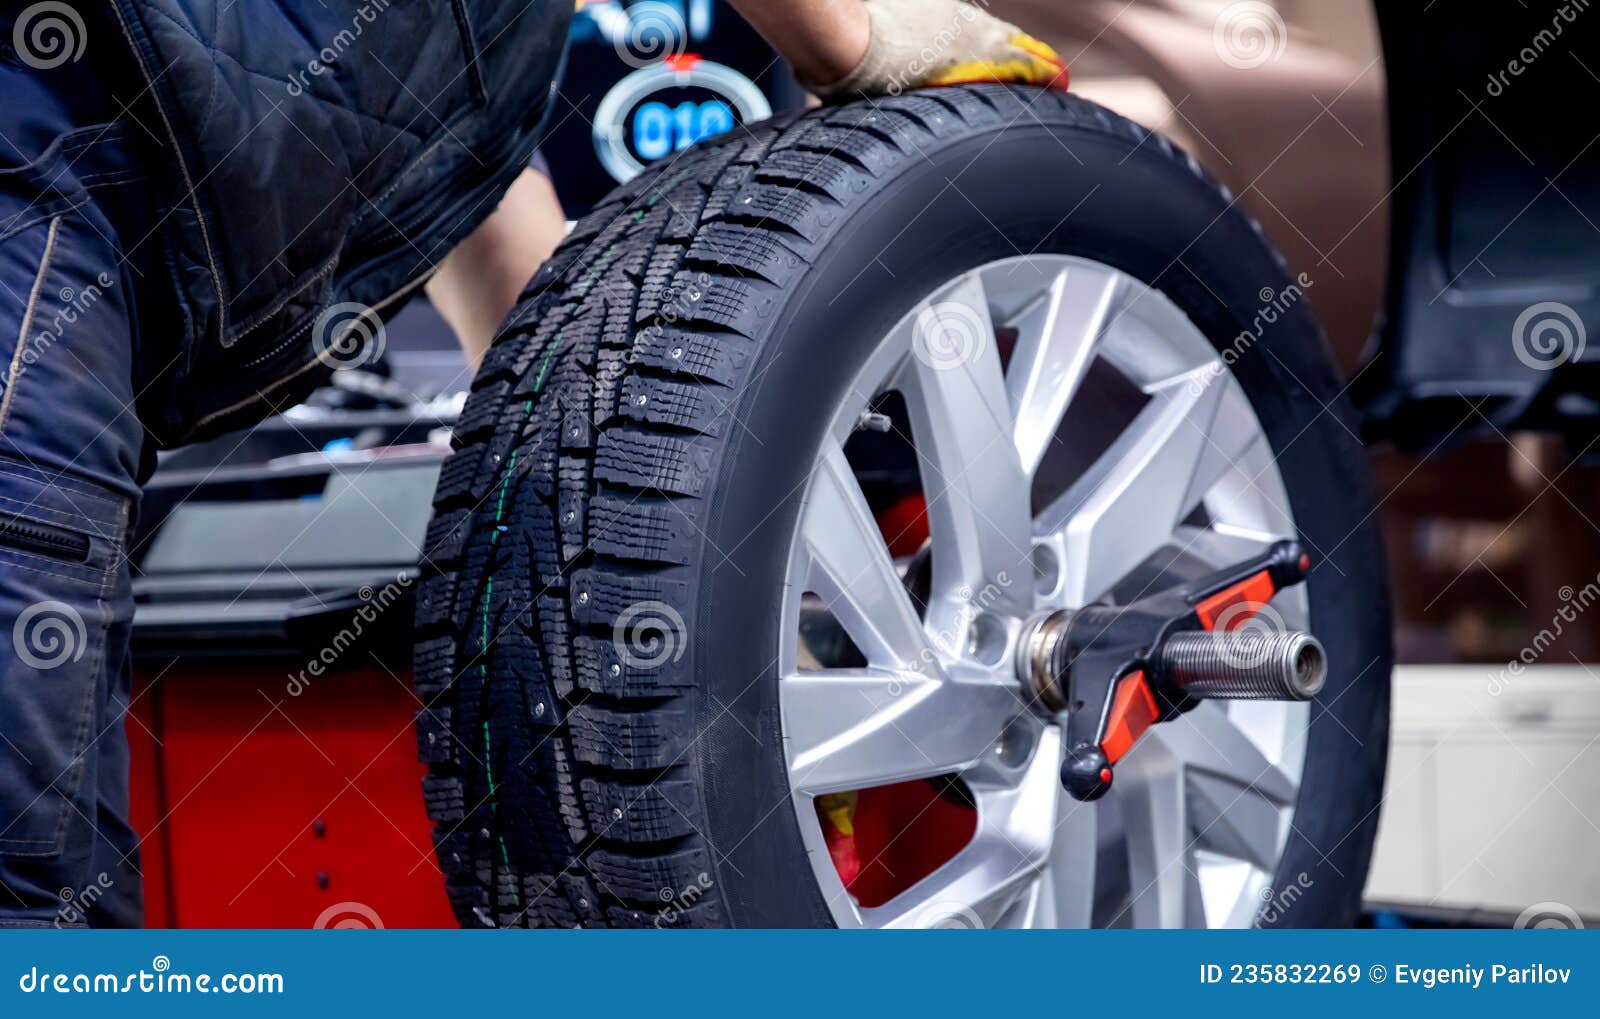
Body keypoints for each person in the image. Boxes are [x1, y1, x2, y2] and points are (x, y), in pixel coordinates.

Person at [0, 0, 1066, 927]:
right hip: (39, 160)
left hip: (85, 207)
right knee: (27, 881)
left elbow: (486, 224)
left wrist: (670, 544)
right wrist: (851, 38)